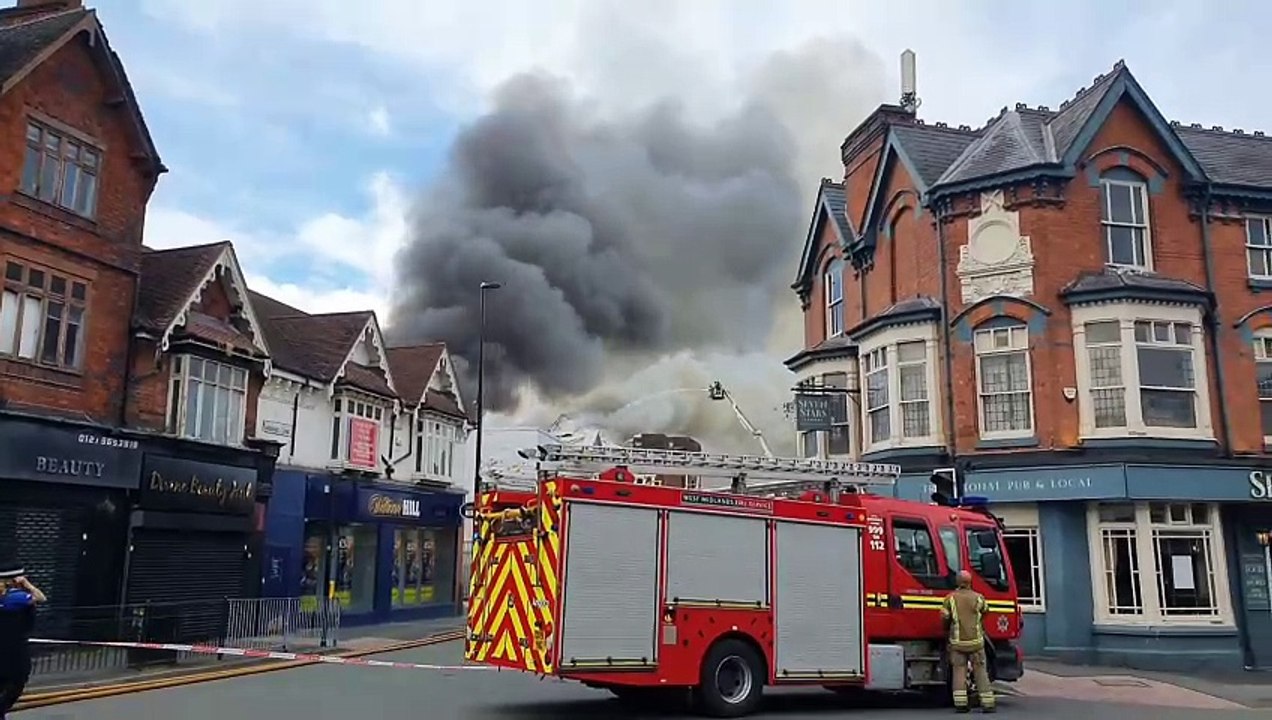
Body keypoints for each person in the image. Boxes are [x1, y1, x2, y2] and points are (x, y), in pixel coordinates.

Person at [940, 570, 996, 714]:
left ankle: (961, 704)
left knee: (959, 672)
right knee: (981, 671)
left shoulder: (950, 599)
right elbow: (986, 611)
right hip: (976, 642)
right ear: (970, 582)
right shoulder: (979, 598)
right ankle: (988, 704)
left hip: (958, 643)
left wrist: (948, 629)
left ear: (957, 582)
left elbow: (944, 617)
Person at [0, 560, 44, 718]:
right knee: (14, 686)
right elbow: (40, 597)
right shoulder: (17, 599)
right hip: (14, 656)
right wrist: (27, 585)